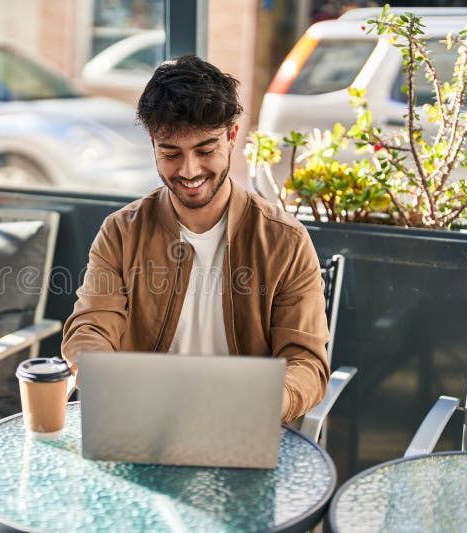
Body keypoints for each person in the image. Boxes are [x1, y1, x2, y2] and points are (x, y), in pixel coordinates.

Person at [61, 55, 329, 423]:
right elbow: (90, 328)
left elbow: (306, 362)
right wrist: (104, 381)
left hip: (242, 429)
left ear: (232, 135)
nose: (189, 171)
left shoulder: (285, 241)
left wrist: (267, 404)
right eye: (170, 153)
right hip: (142, 424)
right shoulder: (121, 233)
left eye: (205, 150)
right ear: (153, 143)